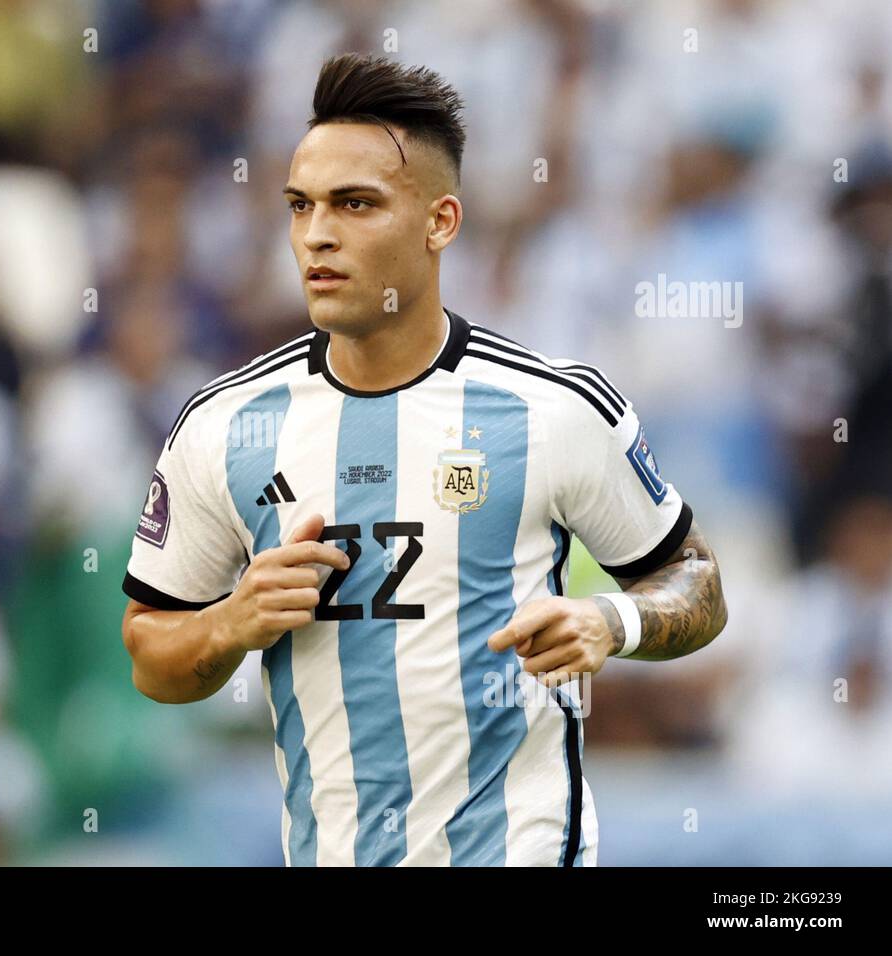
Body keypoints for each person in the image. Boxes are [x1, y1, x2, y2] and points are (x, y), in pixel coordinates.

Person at [119, 53, 728, 867]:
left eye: (355, 204)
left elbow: (700, 585)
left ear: (440, 221)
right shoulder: (223, 425)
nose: (317, 234)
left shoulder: (553, 409)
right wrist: (233, 622)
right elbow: (153, 659)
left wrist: (609, 621)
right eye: (300, 206)